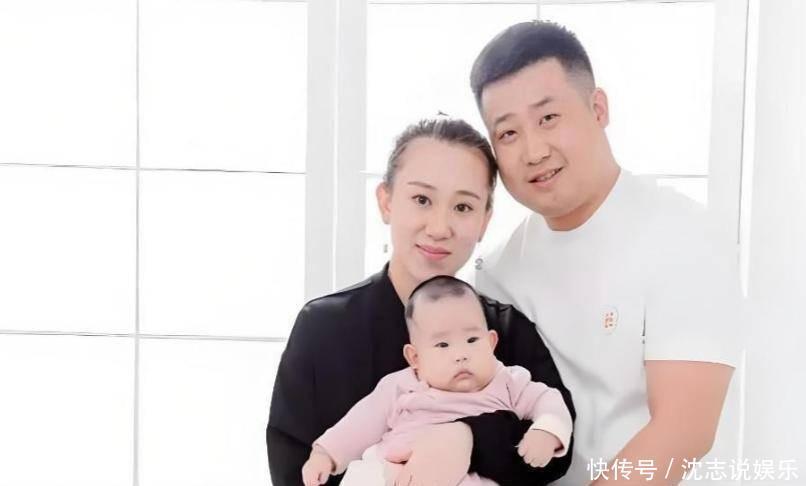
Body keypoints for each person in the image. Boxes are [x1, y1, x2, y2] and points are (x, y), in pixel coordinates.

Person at [469, 21, 742, 485]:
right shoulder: (497, 271)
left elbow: (685, 430)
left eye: (548, 118)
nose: (534, 151)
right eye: (508, 133)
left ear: (598, 109)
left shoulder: (685, 235)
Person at [267, 118, 575, 486]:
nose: (439, 227)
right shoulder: (323, 327)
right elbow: (294, 466)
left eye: (463, 207)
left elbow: (553, 454)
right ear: (386, 201)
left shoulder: (507, 329)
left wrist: (467, 437)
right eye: (422, 200)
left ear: (484, 221)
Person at [301, 276, 573, 486]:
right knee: (365, 474)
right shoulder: (399, 386)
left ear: (491, 342)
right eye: (443, 345)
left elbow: (548, 401)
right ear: (415, 357)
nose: (461, 355)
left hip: (471, 476)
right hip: (395, 471)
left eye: (472, 340)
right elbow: (360, 423)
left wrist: (547, 431)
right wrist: (326, 454)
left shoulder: (509, 381)